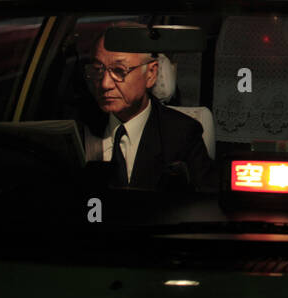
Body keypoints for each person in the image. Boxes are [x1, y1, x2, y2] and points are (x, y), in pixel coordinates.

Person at [78, 30, 213, 191]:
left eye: (119, 71)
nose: (105, 84)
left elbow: (200, 204)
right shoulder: (77, 128)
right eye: (98, 69)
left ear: (151, 73)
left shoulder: (182, 133)